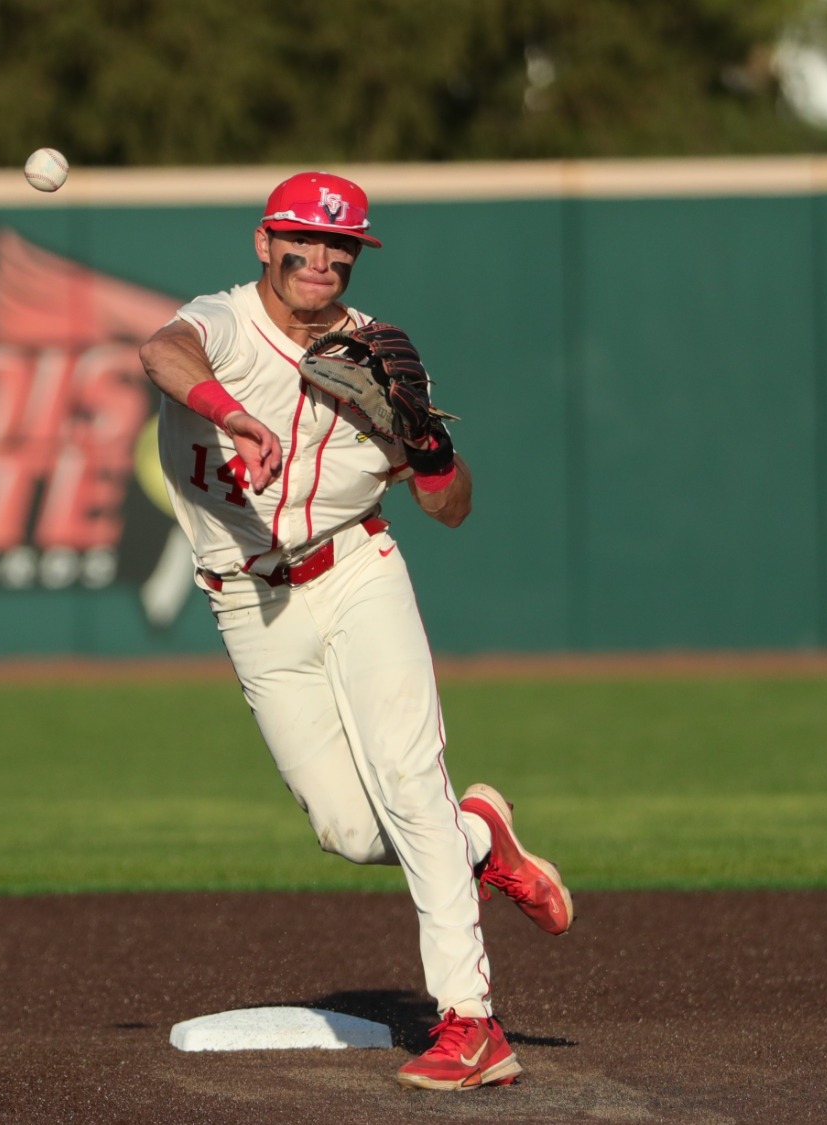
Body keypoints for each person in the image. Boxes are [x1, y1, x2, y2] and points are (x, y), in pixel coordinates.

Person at [138, 171, 574, 1091]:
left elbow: (451, 508)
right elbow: (160, 351)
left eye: (342, 245)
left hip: (356, 574)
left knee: (411, 785)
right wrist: (232, 413)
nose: (323, 257)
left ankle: (472, 1024)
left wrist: (431, 448)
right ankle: (483, 841)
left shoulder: (377, 354)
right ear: (265, 242)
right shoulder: (218, 321)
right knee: (348, 829)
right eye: (303, 238)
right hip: (247, 602)